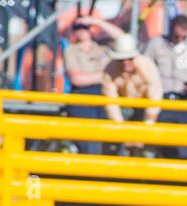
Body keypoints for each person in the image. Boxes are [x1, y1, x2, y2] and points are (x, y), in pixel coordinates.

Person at [144, 14, 187, 157]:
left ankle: (184, 173)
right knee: (158, 141)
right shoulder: (156, 44)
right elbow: (144, 67)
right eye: (176, 36)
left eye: (183, 37)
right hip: (161, 100)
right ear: (171, 31)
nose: (180, 40)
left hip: (183, 100)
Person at [63, 15, 122, 154]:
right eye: (78, 27)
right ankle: (90, 175)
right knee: (88, 143)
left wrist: (97, 22)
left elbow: (123, 39)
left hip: (105, 95)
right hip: (82, 97)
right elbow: (77, 79)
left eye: (85, 26)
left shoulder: (102, 48)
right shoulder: (71, 50)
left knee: (112, 140)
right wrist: (106, 75)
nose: (82, 30)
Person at [102, 34, 163, 131]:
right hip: (122, 108)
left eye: (129, 58)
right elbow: (110, 101)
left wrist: (148, 125)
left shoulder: (146, 65)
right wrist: (120, 129)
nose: (125, 62)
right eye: (121, 59)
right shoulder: (110, 70)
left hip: (145, 107)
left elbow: (155, 94)